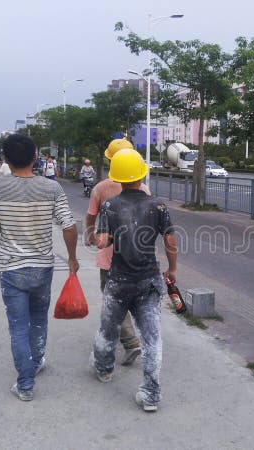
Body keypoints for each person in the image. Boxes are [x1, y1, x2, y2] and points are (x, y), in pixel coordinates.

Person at [0, 134, 79, 402]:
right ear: (35, 158)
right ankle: (37, 360)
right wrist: (72, 258)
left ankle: (25, 384)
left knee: (19, 326)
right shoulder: (52, 189)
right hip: (43, 268)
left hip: (12, 269)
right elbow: (69, 225)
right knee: (39, 319)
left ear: (6, 159)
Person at [91, 148, 177, 413]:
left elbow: (102, 242)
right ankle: (151, 395)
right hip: (149, 281)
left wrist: (107, 236)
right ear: (141, 175)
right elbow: (170, 241)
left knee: (108, 329)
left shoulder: (110, 206)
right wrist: (172, 270)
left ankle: (104, 369)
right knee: (152, 339)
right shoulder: (158, 205)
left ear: (117, 178)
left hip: (118, 281)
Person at [85, 139, 149, 366]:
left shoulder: (100, 189)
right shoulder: (143, 189)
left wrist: (90, 235)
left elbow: (91, 216)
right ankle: (137, 340)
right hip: (136, 256)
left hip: (108, 256)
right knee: (133, 300)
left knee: (113, 301)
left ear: (110, 161)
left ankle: (130, 343)